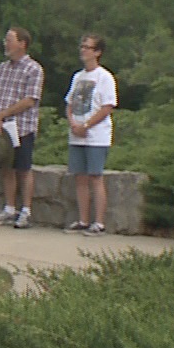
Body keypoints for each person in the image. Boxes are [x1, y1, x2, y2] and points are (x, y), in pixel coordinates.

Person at [0, 27, 44, 228]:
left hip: (23, 127)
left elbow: (30, 100)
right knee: (6, 167)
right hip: (3, 127)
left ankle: (26, 210)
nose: (5, 43)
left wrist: (4, 114)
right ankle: (9, 208)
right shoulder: (2, 68)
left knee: (23, 168)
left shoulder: (33, 69)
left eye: (9, 39)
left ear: (22, 43)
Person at [64, 34, 118, 236]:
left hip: (96, 135)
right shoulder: (78, 77)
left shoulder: (104, 77)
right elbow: (69, 104)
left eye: (87, 47)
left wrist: (86, 125)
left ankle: (99, 222)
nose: (83, 50)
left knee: (95, 176)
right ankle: (83, 219)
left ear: (97, 52)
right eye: (82, 46)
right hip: (76, 133)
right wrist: (73, 123)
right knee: (80, 177)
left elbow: (107, 107)